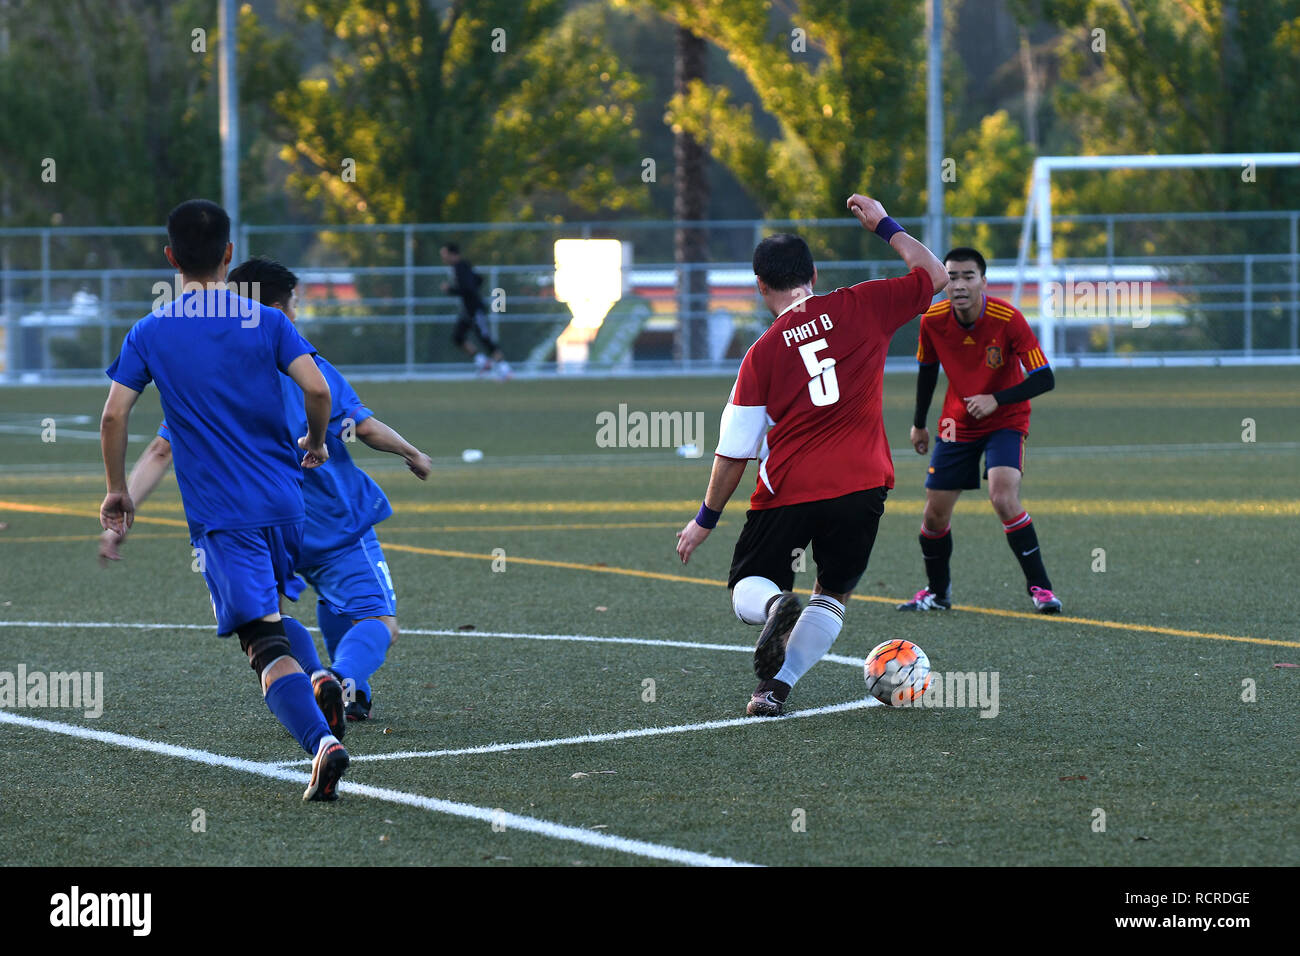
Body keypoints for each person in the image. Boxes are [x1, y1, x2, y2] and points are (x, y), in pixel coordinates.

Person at [100, 256, 434, 728]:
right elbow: (363, 426)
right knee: (379, 621)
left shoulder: (216, 379)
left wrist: (121, 506)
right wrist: (411, 452)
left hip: (257, 521)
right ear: (279, 306)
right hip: (334, 521)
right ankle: (342, 678)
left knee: (269, 622)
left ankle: (327, 682)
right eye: (295, 303)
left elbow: (159, 450)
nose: (296, 314)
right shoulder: (306, 365)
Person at [99, 200, 348, 800]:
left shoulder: (151, 331)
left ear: (170, 257)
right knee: (271, 617)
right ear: (229, 254)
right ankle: (319, 677)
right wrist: (314, 442)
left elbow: (114, 414)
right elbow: (316, 387)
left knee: (260, 643)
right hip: (285, 505)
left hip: (223, 517)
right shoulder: (266, 320)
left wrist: (116, 494)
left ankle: (321, 744)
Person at [675, 193, 948, 717]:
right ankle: (776, 688)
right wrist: (884, 224)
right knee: (831, 592)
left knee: (745, 589)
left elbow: (734, 452)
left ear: (760, 287)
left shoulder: (761, 354)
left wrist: (705, 519)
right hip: (865, 484)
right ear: (814, 272)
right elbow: (933, 273)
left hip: (791, 489)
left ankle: (776, 605)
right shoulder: (864, 302)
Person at [897, 246, 1061, 614]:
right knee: (934, 515)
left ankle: (1042, 589)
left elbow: (1045, 377)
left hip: (1006, 420)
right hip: (957, 423)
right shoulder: (932, 320)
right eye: (951, 276)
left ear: (983, 282)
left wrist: (996, 399)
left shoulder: (1008, 318)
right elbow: (927, 372)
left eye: (968, 276)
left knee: (1003, 498)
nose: (958, 284)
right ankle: (937, 594)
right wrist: (919, 424)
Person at [439, 243, 512, 378]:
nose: (443, 258)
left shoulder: (461, 267)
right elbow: (479, 279)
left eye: (444, 255)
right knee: (458, 337)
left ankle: (505, 369)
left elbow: (468, 288)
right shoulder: (461, 266)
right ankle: (482, 362)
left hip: (475, 310)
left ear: (452, 254)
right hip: (467, 311)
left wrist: (450, 289)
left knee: (485, 338)